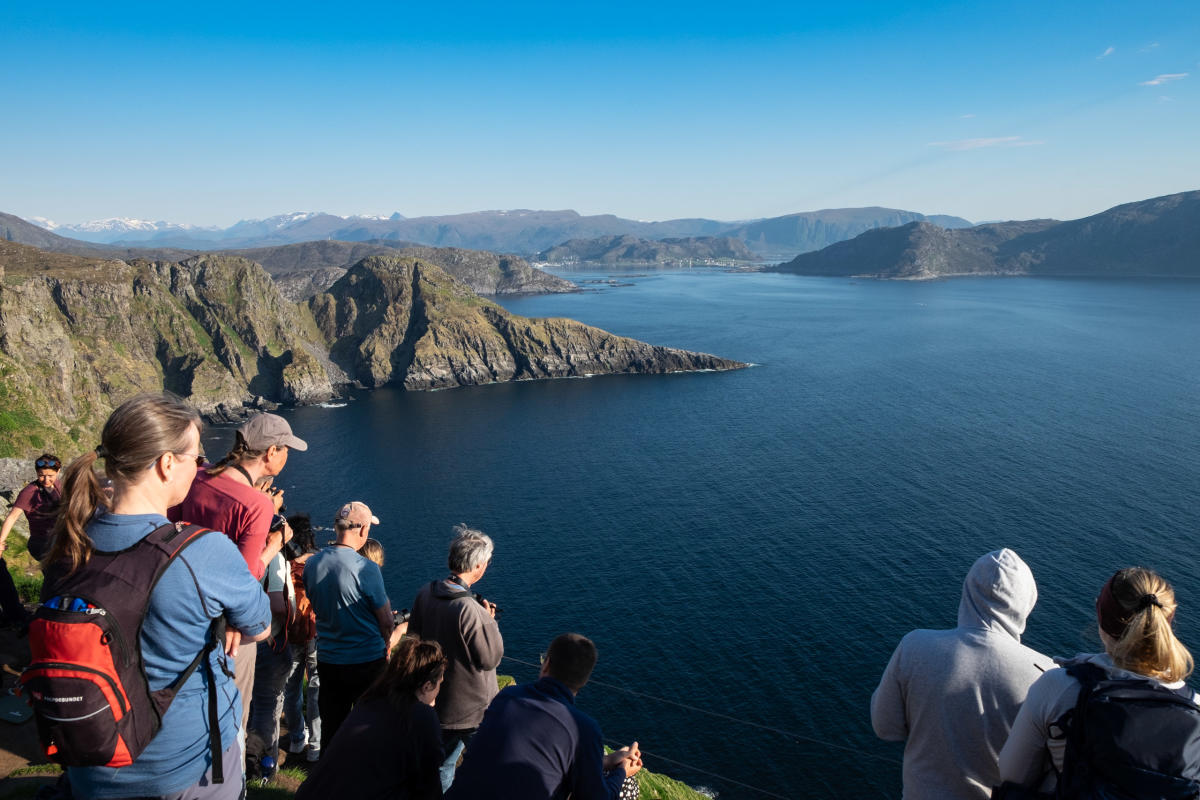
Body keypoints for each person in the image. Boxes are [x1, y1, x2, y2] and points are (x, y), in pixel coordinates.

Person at [44, 393, 270, 799]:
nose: (201, 468)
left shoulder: (69, 544)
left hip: (92, 764)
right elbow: (260, 626)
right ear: (168, 464)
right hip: (181, 771)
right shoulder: (202, 552)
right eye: (197, 459)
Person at [997, 567, 1199, 795]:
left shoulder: (1060, 687)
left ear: (1102, 618)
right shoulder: (1196, 709)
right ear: (1168, 623)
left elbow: (1011, 774)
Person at [870, 548, 1053, 800]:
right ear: (1027, 601)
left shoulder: (915, 646)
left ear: (968, 591)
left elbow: (885, 728)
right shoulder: (1047, 675)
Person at [170, 411, 305, 729]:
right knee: (231, 711)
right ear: (271, 452)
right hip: (225, 621)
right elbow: (244, 578)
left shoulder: (199, 475)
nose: (288, 457)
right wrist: (277, 540)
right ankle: (230, 775)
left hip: (184, 603)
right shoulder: (256, 506)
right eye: (286, 450)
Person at [446, 633, 642, 800]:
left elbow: (544, 756)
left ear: (546, 663)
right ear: (584, 680)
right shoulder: (584, 729)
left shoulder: (507, 697)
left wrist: (607, 760)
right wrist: (622, 771)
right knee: (625, 787)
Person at [409, 524, 505, 792]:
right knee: (490, 767)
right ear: (477, 566)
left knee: (441, 766)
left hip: (435, 700)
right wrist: (489, 621)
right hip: (473, 710)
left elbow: (415, 639)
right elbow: (491, 658)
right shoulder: (470, 610)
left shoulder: (425, 592)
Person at [303, 501, 404, 752]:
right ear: (362, 529)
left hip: (328, 659)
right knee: (370, 727)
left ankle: (328, 782)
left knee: (333, 727)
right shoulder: (366, 568)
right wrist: (387, 644)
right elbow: (386, 621)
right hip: (365, 661)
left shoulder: (312, 564)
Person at [296, 637, 447, 800]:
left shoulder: (371, 700)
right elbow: (430, 786)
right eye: (439, 684)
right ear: (427, 686)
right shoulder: (421, 716)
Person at [281, 514, 322, 763]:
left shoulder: (282, 563)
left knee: (291, 688)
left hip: (290, 629)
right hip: (317, 630)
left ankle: (297, 738)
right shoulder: (319, 562)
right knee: (317, 688)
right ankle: (316, 746)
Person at [1, 453, 63, 561]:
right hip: (41, 542)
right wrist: (1, 542)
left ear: (58, 471)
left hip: (59, 538)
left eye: (50, 476)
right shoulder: (29, 492)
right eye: (41, 475)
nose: (46, 480)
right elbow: (12, 517)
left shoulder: (59, 485)